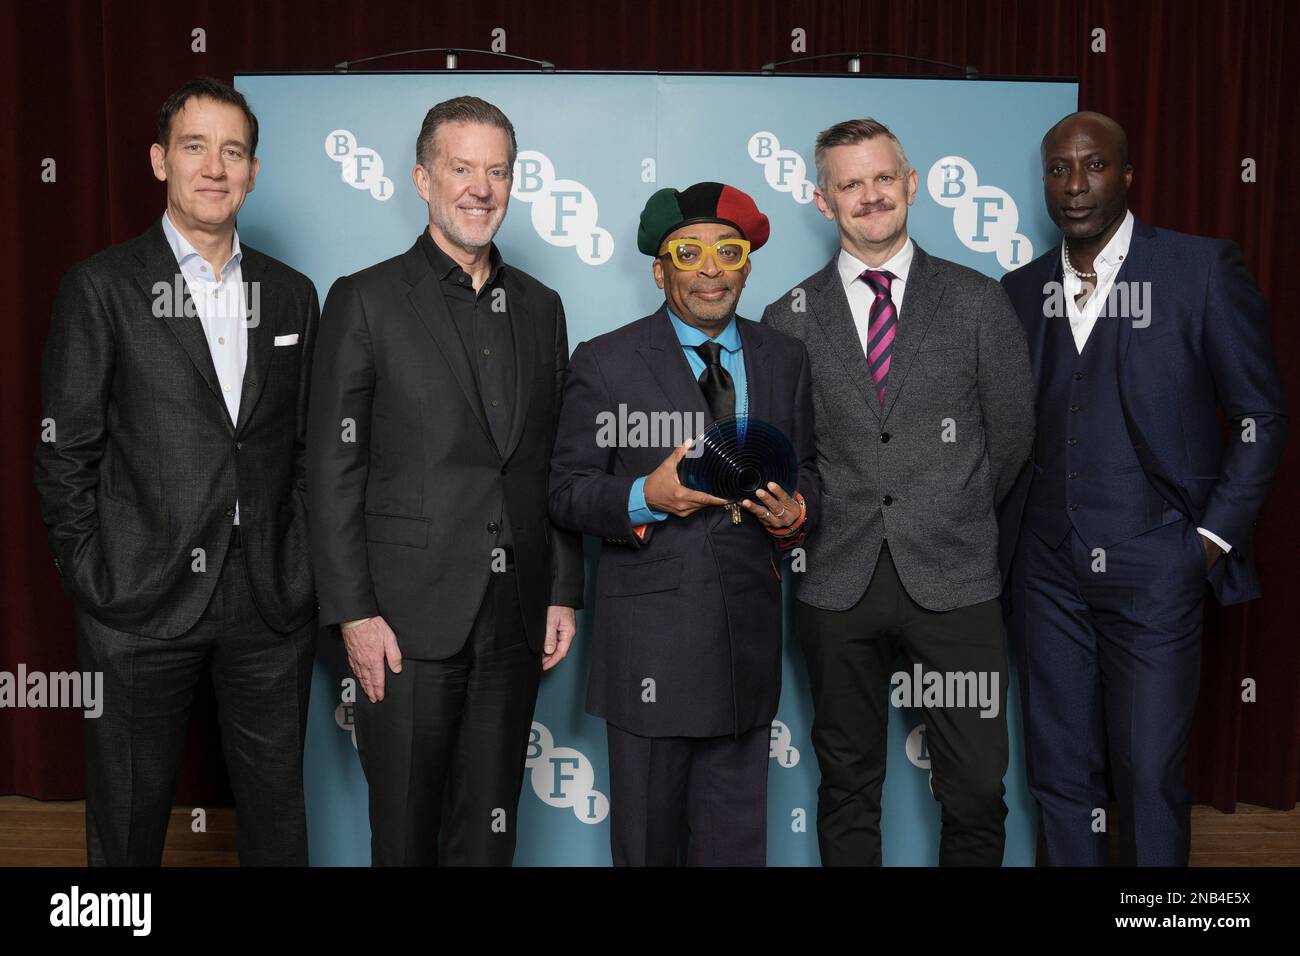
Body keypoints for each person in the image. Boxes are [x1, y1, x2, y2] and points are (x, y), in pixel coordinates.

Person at [34, 77, 319, 865]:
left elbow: (305, 448)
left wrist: (298, 567)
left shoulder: (292, 296)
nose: (215, 168)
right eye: (195, 147)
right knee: (125, 827)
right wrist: (94, 574)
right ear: (161, 161)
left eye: (233, 151)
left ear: (255, 171)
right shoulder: (101, 288)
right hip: (137, 596)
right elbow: (64, 452)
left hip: (266, 597)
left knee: (278, 822)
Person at [999, 110, 1288, 866]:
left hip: (1158, 563)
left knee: (1150, 774)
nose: (1075, 185)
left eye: (1093, 166)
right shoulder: (1020, 290)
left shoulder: (1199, 270)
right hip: (1045, 574)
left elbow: (1260, 414)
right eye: (1059, 169)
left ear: (1127, 174)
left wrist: (1210, 542)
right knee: (1059, 777)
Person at [307, 96, 584, 866]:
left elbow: (551, 461)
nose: (481, 188)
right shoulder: (363, 299)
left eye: (497, 171)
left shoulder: (542, 306)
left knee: (489, 835)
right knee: (403, 833)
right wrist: (354, 613)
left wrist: (563, 587)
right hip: (403, 619)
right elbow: (331, 468)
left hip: (515, 612)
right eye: (462, 168)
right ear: (424, 178)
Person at [763, 118, 1035, 866]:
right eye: (850, 184)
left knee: (976, 785)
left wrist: (951, 509)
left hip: (957, 582)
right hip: (835, 581)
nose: (870, 195)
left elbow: (1011, 441)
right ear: (825, 201)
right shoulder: (786, 317)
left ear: (911, 184)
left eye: (883, 178)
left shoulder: (979, 301)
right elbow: (787, 456)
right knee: (847, 784)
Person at [550, 182, 817, 865]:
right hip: (648, 653)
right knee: (648, 847)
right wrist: (647, 495)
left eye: (727, 252)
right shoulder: (604, 361)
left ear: (747, 265)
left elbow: (809, 468)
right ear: (659, 269)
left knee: (736, 850)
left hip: (745, 653)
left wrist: (797, 513)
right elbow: (566, 492)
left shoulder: (784, 358)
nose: (709, 270)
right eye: (688, 253)